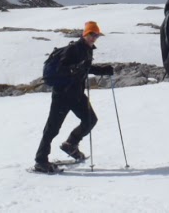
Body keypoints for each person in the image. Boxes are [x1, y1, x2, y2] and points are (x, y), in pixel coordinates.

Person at [33, 21, 115, 172]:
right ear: (85, 34)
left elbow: (86, 68)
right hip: (62, 94)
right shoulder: (73, 49)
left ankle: (70, 144)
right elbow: (61, 68)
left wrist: (103, 70)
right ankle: (40, 160)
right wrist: (74, 69)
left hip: (77, 94)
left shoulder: (88, 49)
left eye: (96, 35)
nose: (94, 37)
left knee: (90, 120)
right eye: (91, 34)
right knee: (52, 128)